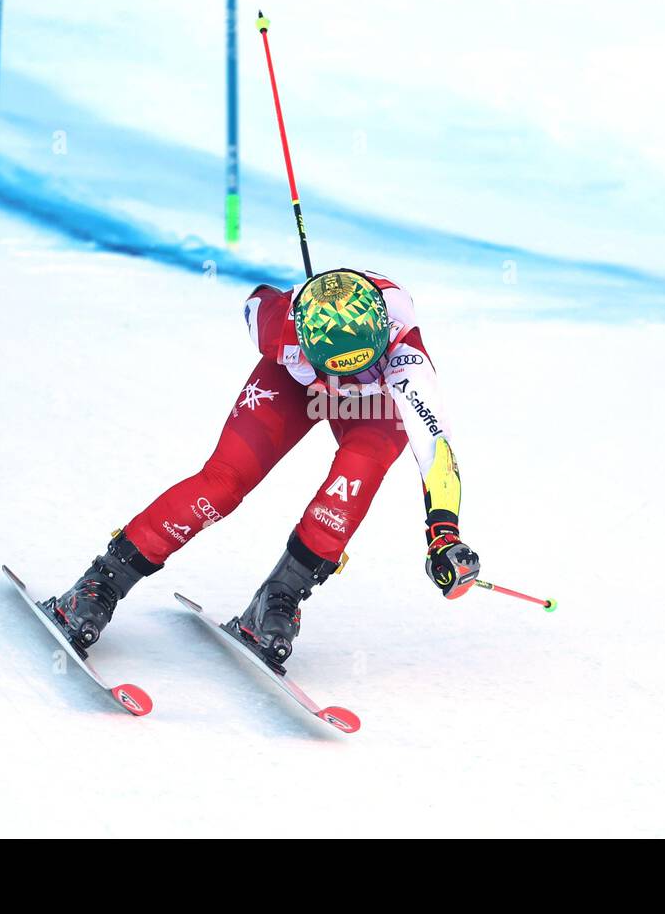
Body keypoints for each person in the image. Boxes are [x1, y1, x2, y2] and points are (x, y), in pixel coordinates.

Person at [43, 267, 480, 670]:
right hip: (293, 383)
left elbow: (436, 449)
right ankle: (100, 582)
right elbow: (255, 299)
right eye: (333, 369)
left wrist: (444, 533)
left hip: (376, 403)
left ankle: (278, 597)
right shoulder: (281, 326)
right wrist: (299, 319)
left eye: (360, 365)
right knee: (222, 485)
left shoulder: (407, 360)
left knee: (347, 492)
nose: (339, 383)